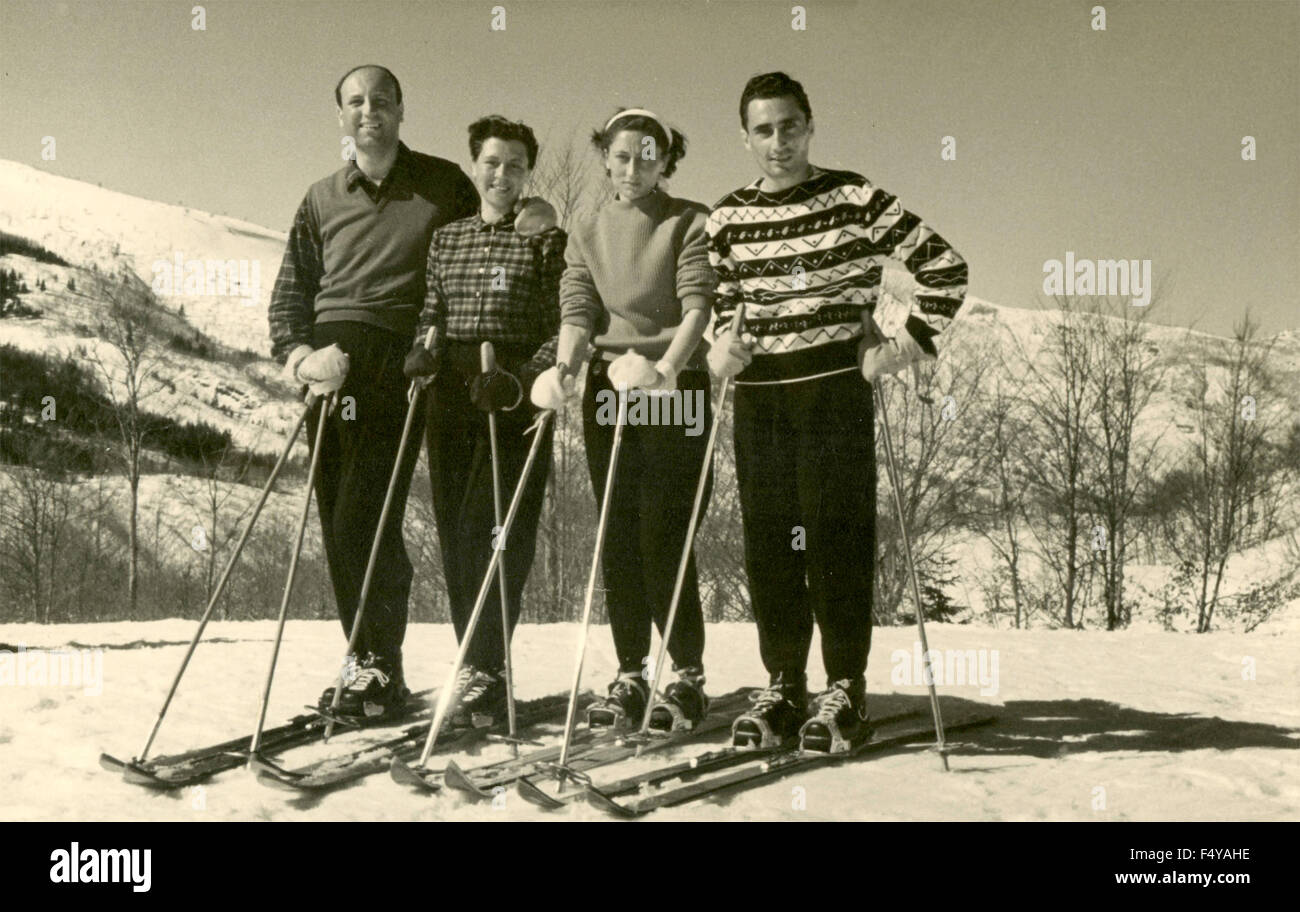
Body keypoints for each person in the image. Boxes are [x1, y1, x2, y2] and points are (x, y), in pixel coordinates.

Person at [267, 65, 553, 721]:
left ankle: (403, 663)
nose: (369, 112)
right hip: (332, 365)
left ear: (401, 111)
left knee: (372, 510)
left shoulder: (440, 182)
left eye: (383, 101)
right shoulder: (319, 197)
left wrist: (535, 210)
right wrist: (302, 357)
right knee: (340, 517)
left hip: (404, 360)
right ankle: (370, 661)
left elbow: (491, 222)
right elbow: (290, 293)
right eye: (356, 102)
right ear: (340, 114)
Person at [705, 72, 968, 753]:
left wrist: (900, 349)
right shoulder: (726, 217)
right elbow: (717, 308)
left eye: (789, 125)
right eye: (763, 129)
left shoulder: (853, 197)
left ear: (809, 126)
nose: (778, 141)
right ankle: (784, 683)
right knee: (770, 543)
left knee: (835, 537)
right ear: (744, 138)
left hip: (833, 392)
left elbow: (946, 269)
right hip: (763, 398)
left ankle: (844, 687)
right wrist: (720, 347)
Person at [531, 107, 717, 731]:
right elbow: (578, 306)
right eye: (620, 155)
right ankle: (631, 671)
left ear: (666, 160)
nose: (632, 167)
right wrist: (564, 366)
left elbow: (697, 307)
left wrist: (665, 369)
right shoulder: (585, 228)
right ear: (605, 158)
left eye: (646, 155)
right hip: (610, 388)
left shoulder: (688, 221)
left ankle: (687, 674)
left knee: (666, 529)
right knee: (619, 530)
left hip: (674, 386)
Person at [402, 116, 565, 727]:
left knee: (500, 530)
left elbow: (562, 321)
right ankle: (477, 669)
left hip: (511, 384)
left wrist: (528, 378)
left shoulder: (546, 239)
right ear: (474, 165)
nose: (502, 175)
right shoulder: (448, 238)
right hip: (452, 387)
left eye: (516, 165)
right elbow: (433, 309)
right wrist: (425, 347)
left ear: (528, 173)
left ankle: (488, 668)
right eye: (492, 162)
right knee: (456, 529)